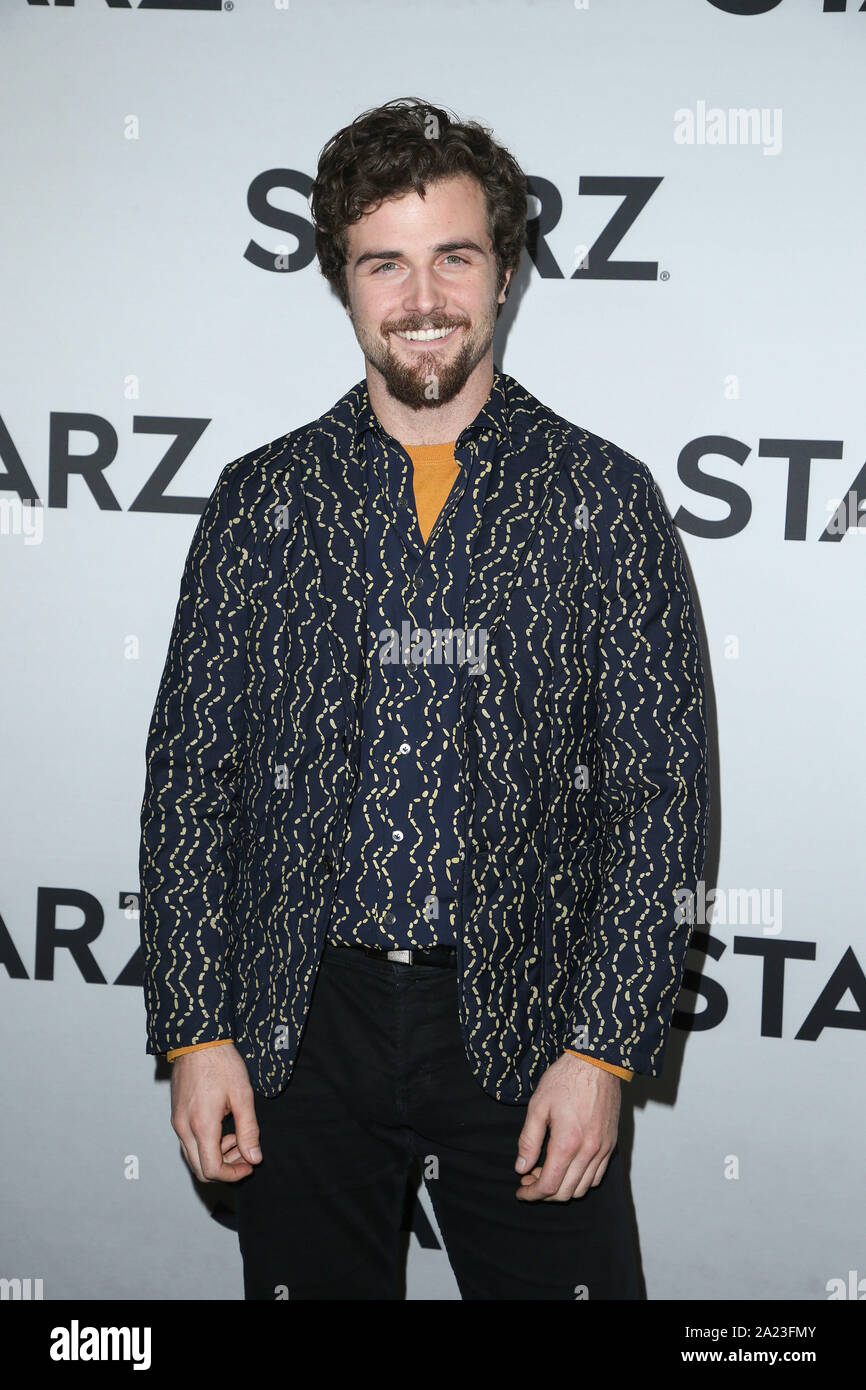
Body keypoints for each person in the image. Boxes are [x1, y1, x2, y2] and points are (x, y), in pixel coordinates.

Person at [139, 97, 710, 1301]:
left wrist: (603, 1049)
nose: (422, 298)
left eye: (452, 256)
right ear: (342, 284)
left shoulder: (601, 498)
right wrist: (196, 1030)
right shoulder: (259, 500)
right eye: (382, 263)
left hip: (527, 1014)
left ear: (504, 271)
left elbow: (660, 801)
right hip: (300, 1020)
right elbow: (193, 777)